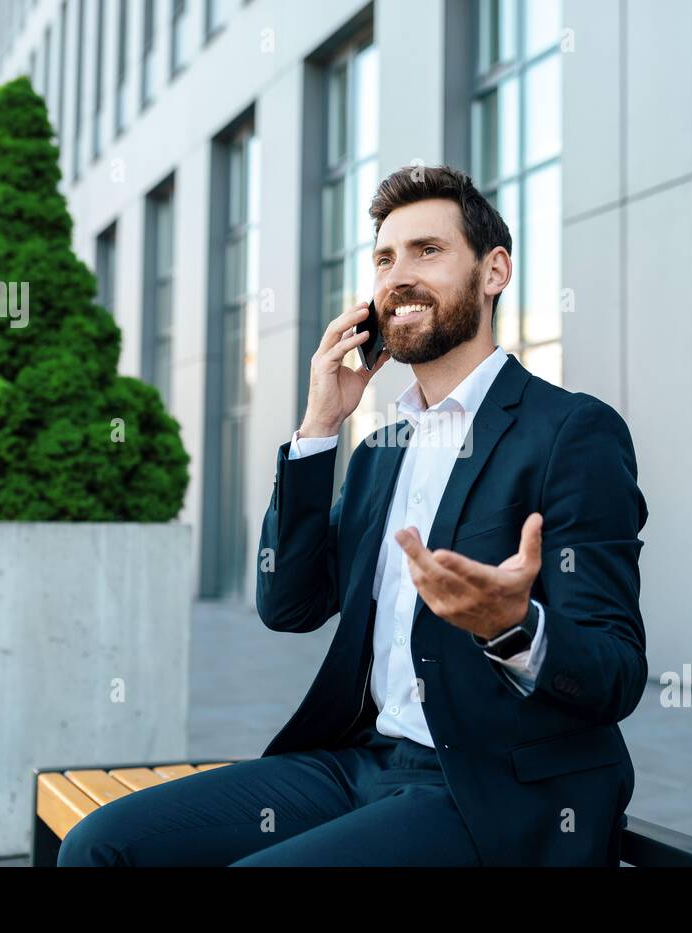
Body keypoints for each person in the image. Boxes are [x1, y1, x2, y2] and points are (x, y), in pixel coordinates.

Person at [58, 164, 650, 867]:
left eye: (427, 251)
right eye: (384, 258)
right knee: (100, 847)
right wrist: (318, 428)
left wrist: (512, 627)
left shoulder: (570, 432)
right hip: (358, 763)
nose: (398, 275)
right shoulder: (379, 450)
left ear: (494, 272)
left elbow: (617, 673)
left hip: (486, 787)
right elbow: (289, 605)